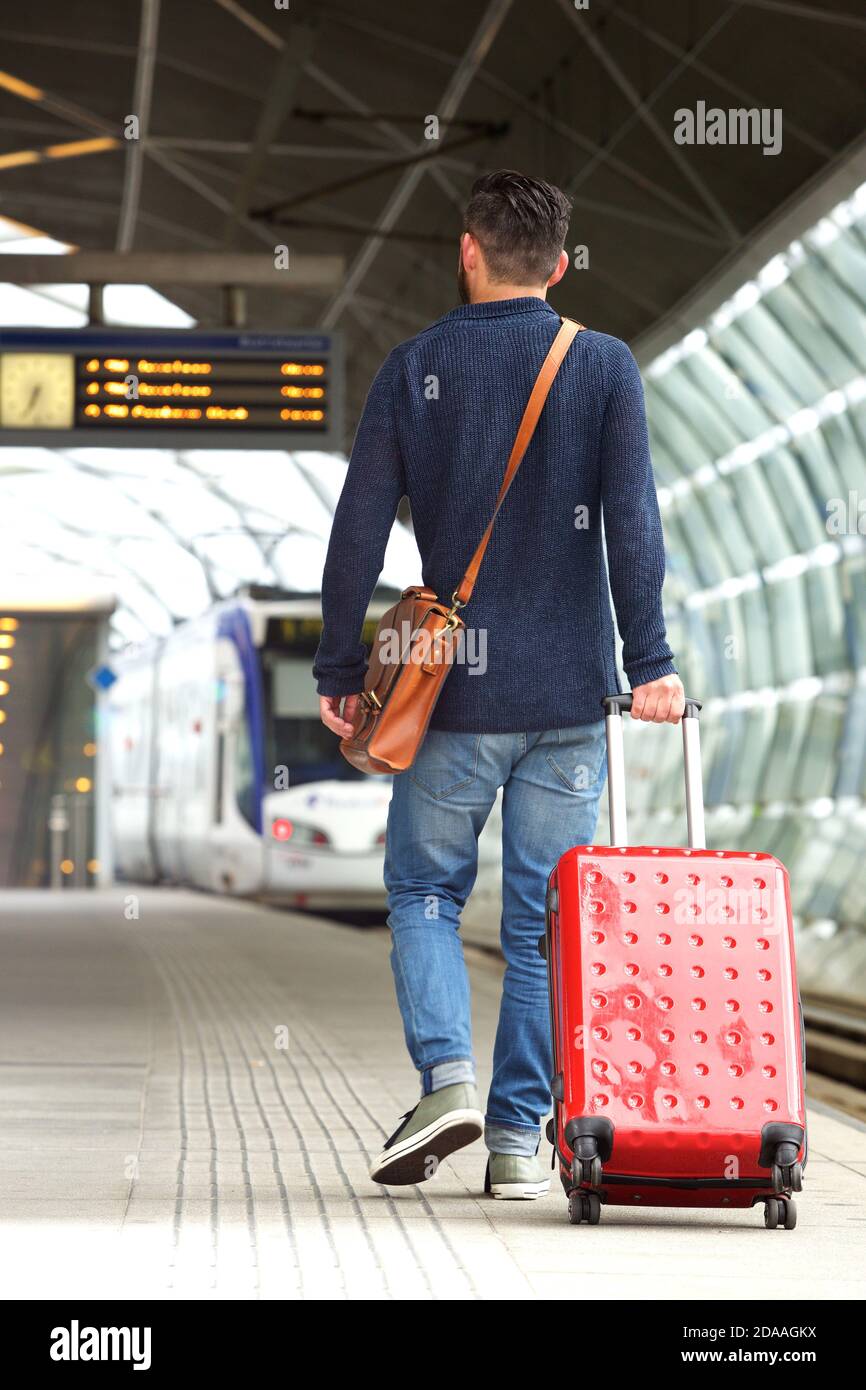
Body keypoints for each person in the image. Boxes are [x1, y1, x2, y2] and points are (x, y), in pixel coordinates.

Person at [314, 170, 684, 1199]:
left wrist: (342, 670)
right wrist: (646, 664)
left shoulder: (413, 365)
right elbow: (632, 528)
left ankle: (447, 1079)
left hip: (449, 701)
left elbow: (354, 529)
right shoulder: (604, 366)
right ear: (559, 266)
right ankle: (518, 1141)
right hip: (568, 696)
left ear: (466, 253)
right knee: (541, 919)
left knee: (426, 891)